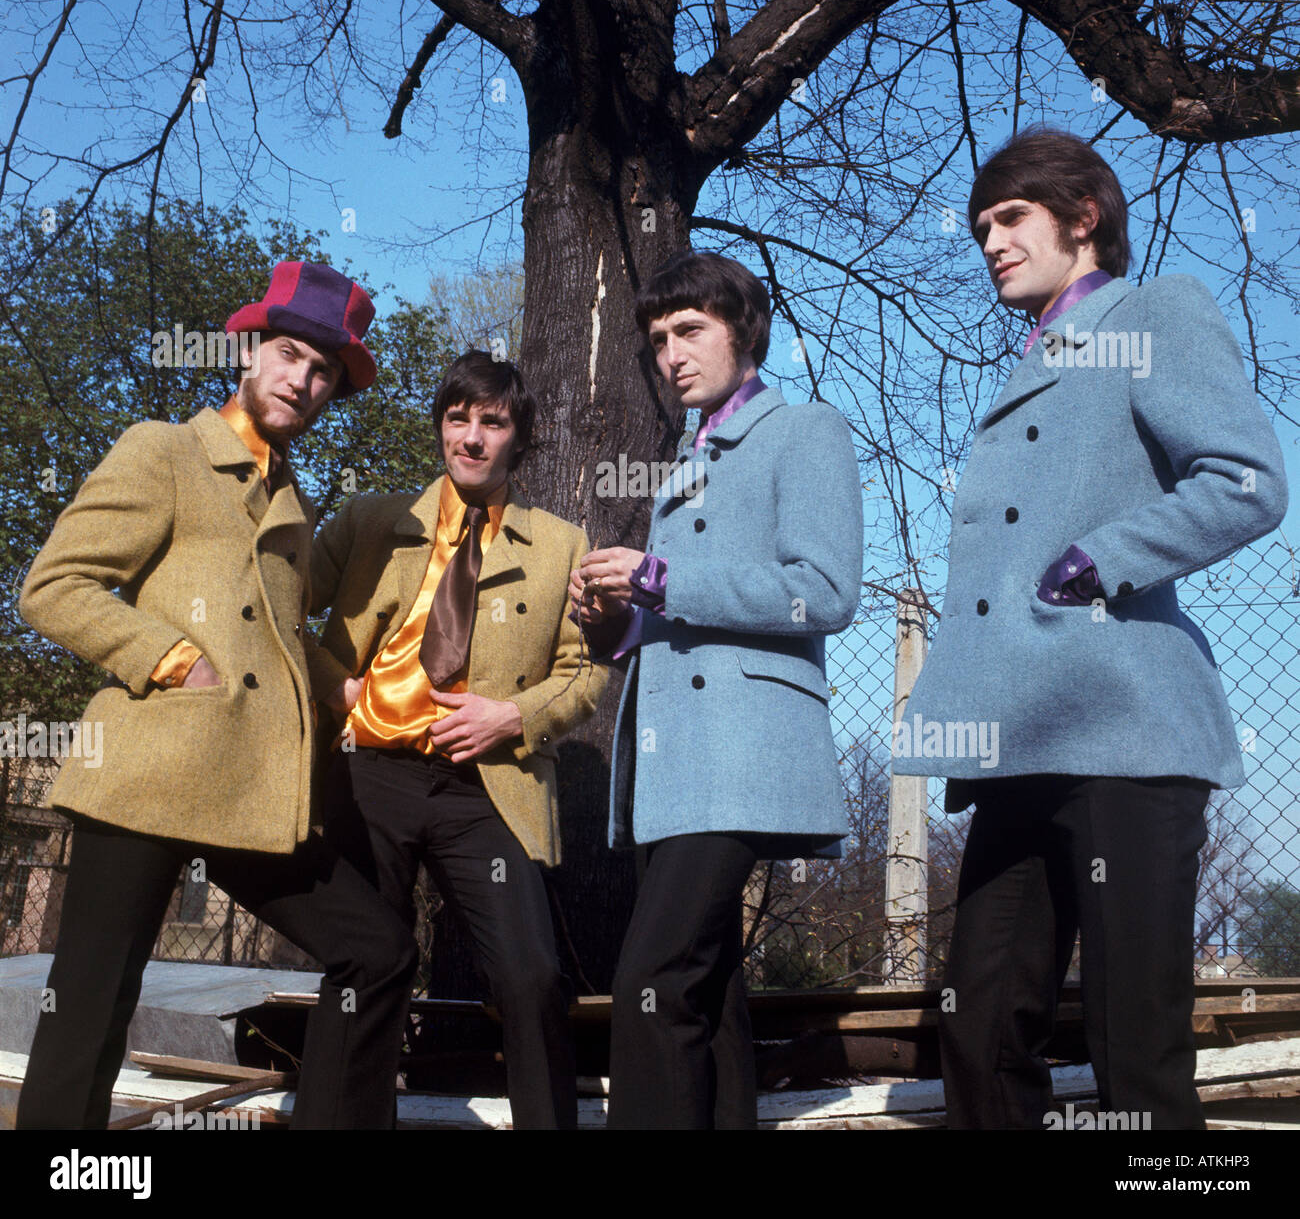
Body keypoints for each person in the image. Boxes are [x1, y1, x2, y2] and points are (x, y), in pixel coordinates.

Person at [894, 127, 1288, 1129]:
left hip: (1126, 731)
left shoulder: (1153, 311)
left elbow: (1245, 482)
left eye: (1011, 217)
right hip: (1019, 743)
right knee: (977, 1026)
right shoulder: (1028, 363)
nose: (988, 240)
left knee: (1134, 1048)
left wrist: (1098, 560)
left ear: (1083, 218)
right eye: (980, 224)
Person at [16, 261, 419, 1129]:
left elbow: (275, 642)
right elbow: (54, 584)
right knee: (89, 1007)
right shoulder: (164, 449)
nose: (304, 381)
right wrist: (170, 658)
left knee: (377, 949)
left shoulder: (292, 498)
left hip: (249, 788)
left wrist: (348, 690)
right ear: (249, 352)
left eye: (322, 372)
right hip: (150, 775)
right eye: (289, 355)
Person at [570, 251, 863, 1129]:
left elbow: (826, 589)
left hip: (743, 755)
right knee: (708, 986)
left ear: (745, 330)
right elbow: (669, 620)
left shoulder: (805, 430)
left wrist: (659, 576)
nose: (671, 354)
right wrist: (606, 616)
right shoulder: (684, 458)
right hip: (672, 770)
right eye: (659, 338)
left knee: (653, 979)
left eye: (690, 329)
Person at [308, 350, 607, 1130]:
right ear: (440, 427)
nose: (471, 437)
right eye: (457, 418)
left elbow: (590, 671)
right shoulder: (372, 522)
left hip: (488, 787)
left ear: (520, 437)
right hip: (368, 773)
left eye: (492, 421)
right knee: (365, 967)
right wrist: (335, 684)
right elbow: (270, 607)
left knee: (532, 973)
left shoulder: (561, 546)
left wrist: (512, 717)